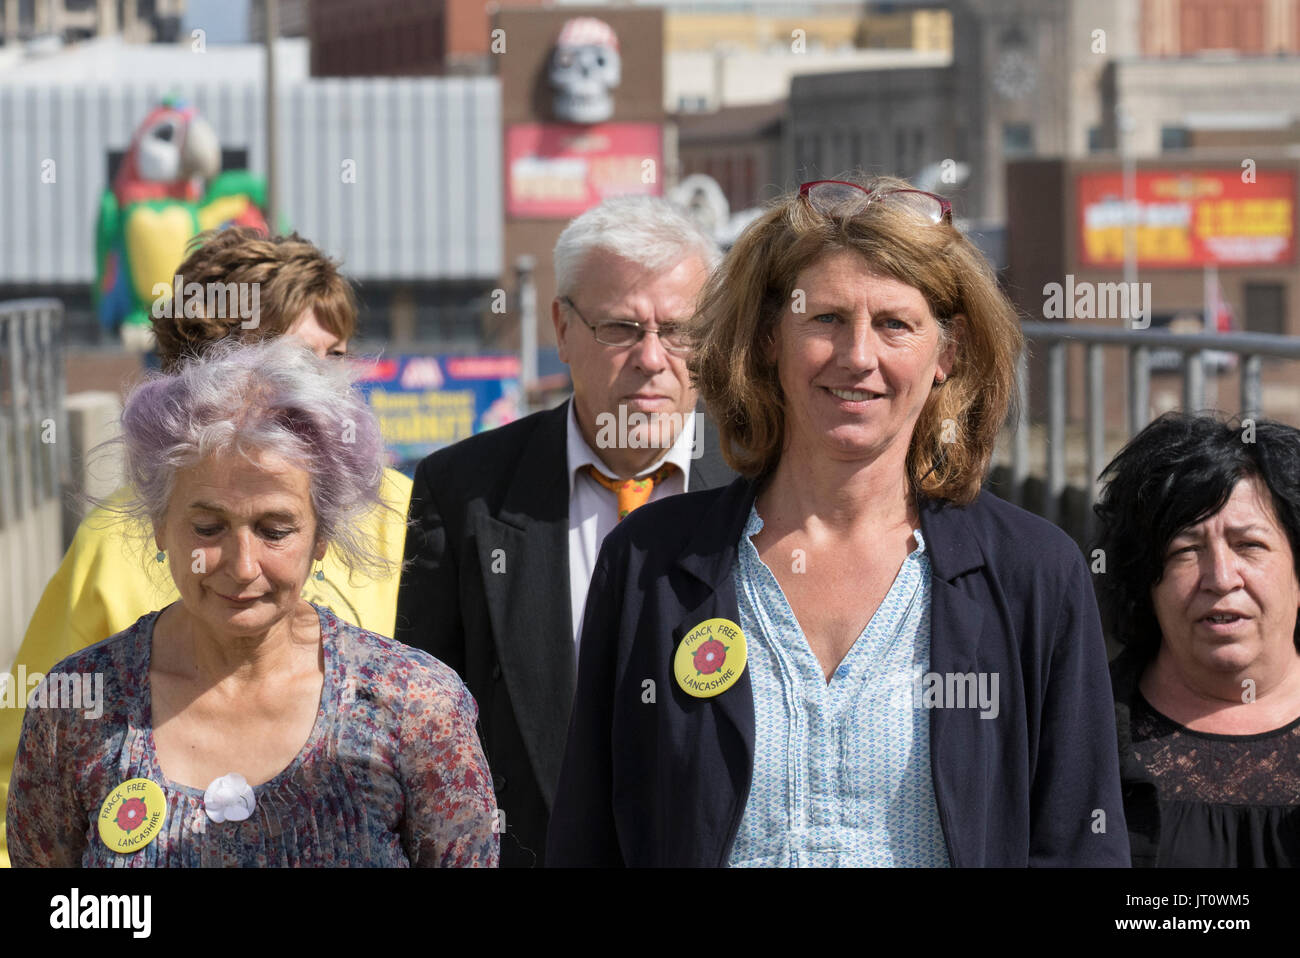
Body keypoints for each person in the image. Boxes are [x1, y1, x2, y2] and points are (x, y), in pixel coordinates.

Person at [547, 175, 1130, 866]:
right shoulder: (647, 563)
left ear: (947, 352)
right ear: (768, 339)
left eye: (895, 324)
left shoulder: (1035, 573)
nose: (858, 356)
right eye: (824, 319)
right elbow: (588, 838)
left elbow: (1077, 846)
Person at [0, 227, 412, 867]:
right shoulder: (115, 541)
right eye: (305, 360)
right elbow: (22, 771)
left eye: (341, 357)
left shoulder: (405, 511)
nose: (334, 386)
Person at [6, 339, 497, 867]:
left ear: (322, 535)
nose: (242, 566)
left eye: (275, 529)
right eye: (208, 526)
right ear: (159, 524)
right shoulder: (78, 708)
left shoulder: (414, 707)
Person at [396, 196, 736, 866]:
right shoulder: (464, 493)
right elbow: (422, 740)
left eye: (677, 330)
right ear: (561, 326)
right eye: (620, 329)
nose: (651, 358)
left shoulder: (768, 486)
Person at [1093, 413, 1300, 867]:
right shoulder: (1079, 728)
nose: (1221, 578)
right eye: (1187, 550)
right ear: (1146, 578)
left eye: (1249, 545)